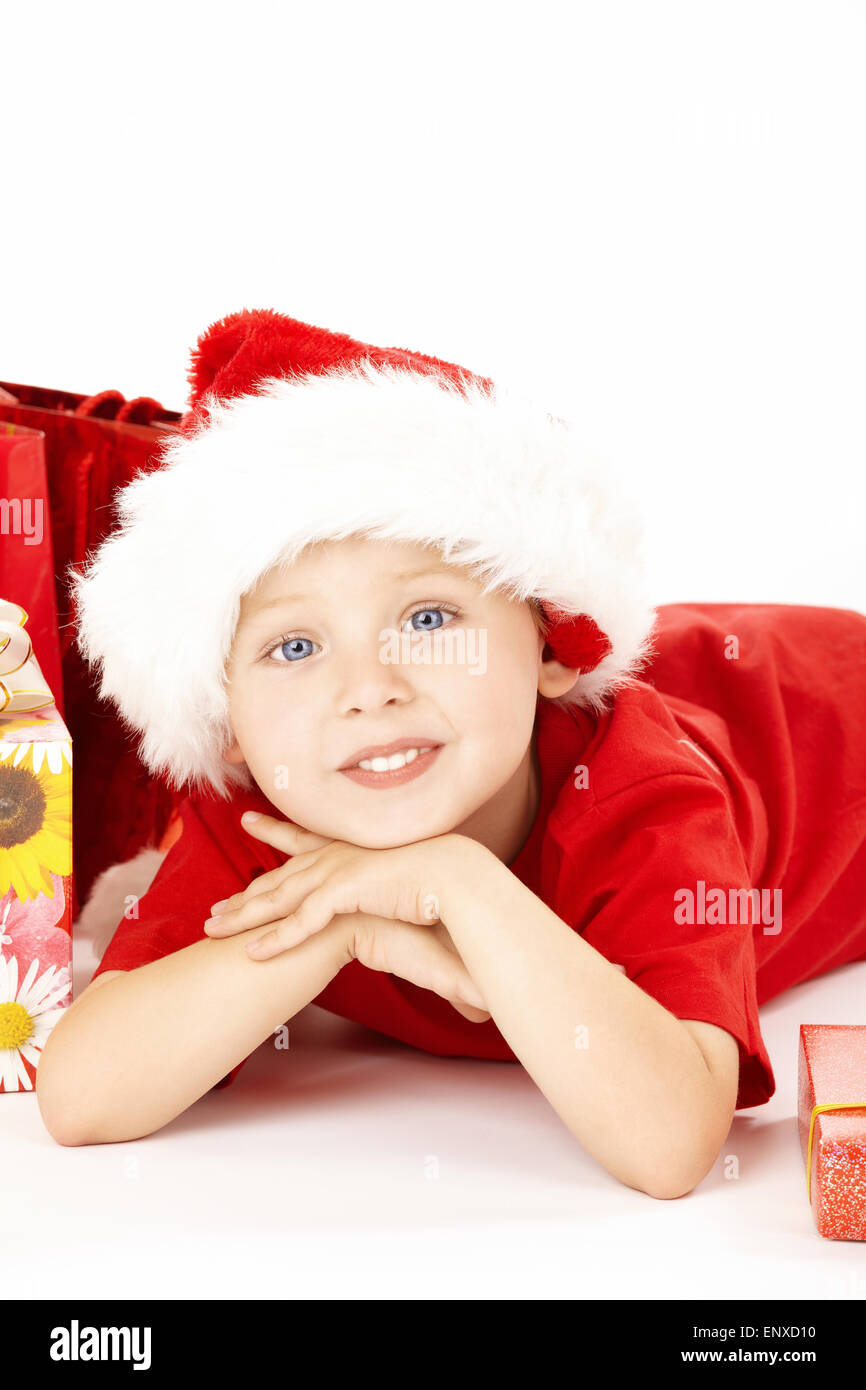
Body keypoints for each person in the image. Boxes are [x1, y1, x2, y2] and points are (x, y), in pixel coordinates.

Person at [35, 308, 866, 1202]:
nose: (369, 688)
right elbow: (81, 1100)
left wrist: (459, 883)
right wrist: (343, 923)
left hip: (829, 717)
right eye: (294, 648)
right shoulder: (266, 809)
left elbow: (670, 1147)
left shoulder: (643, 795)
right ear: (228, 719)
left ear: (552, 642)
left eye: (429, 621)